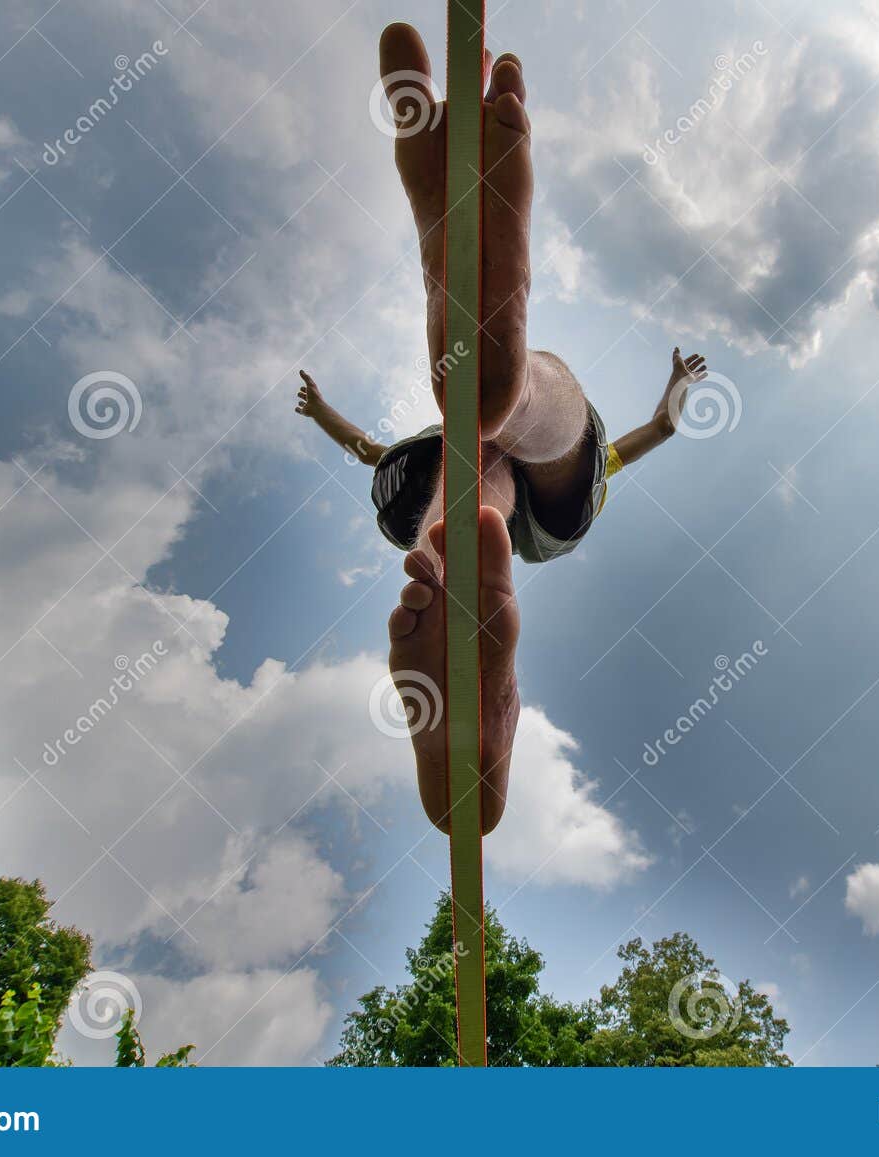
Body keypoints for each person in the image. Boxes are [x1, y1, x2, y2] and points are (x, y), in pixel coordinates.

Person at [296, 23, 712, 835]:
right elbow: (653, 436)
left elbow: (364, 450)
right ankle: (506, 393)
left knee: (480, 469)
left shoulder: (408, 456)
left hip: (459, 483)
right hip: (530, 499)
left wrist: (323, 417)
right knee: (532, 431)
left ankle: (487, 409)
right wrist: (676, 396)